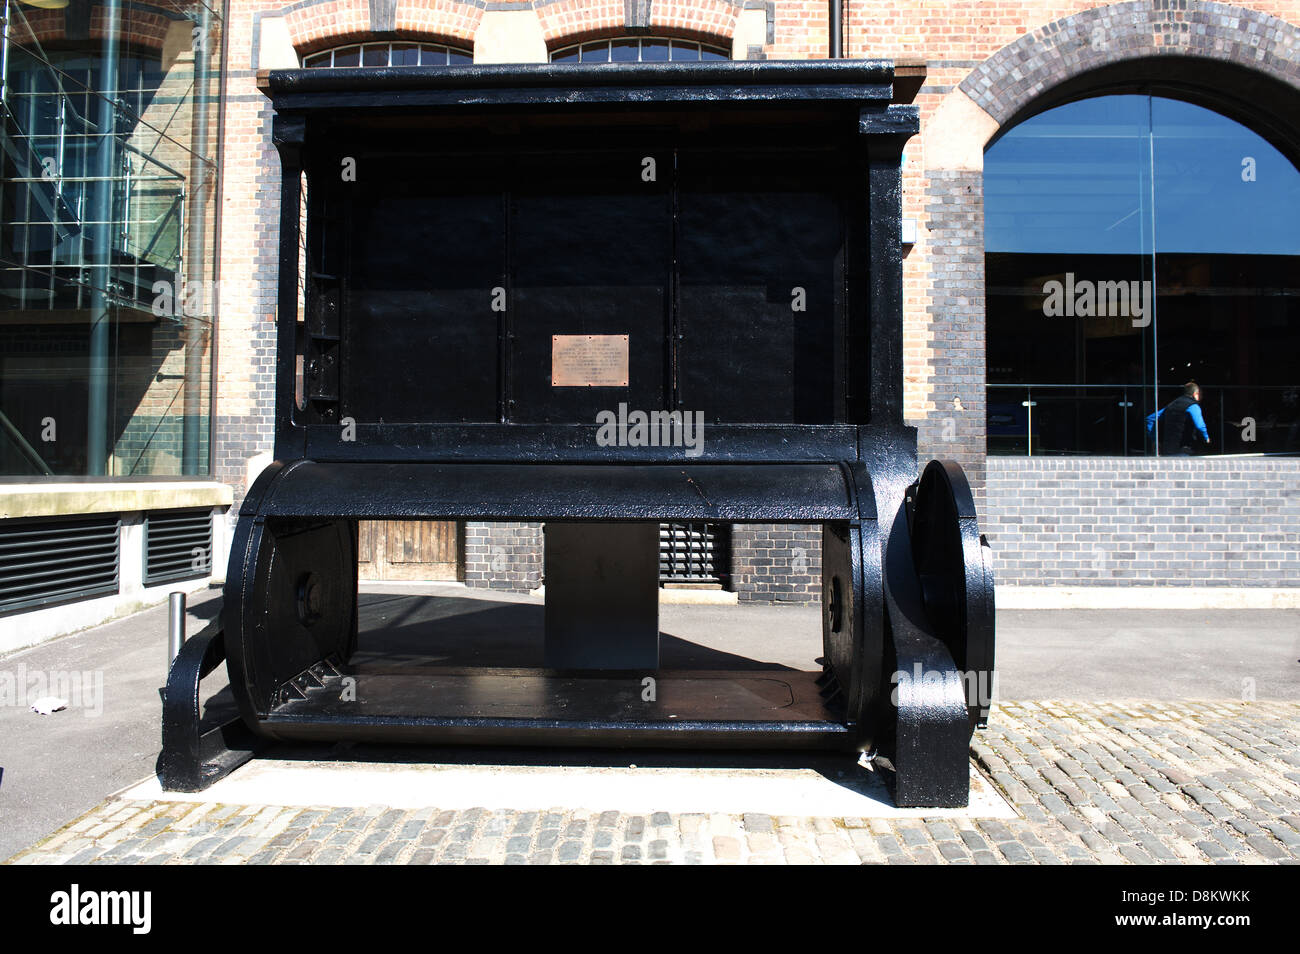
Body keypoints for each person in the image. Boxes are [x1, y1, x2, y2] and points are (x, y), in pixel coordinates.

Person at [1146, 381, 1211, 455]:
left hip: (1168, 447)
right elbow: (1200, 425)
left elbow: (1150, 418)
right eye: (1201, 394)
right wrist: (1206, 437)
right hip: (1184, 447)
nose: (1202, 397)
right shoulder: (1193, 406)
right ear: (1195, 394)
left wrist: (1155, 440)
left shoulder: (1171, 405)